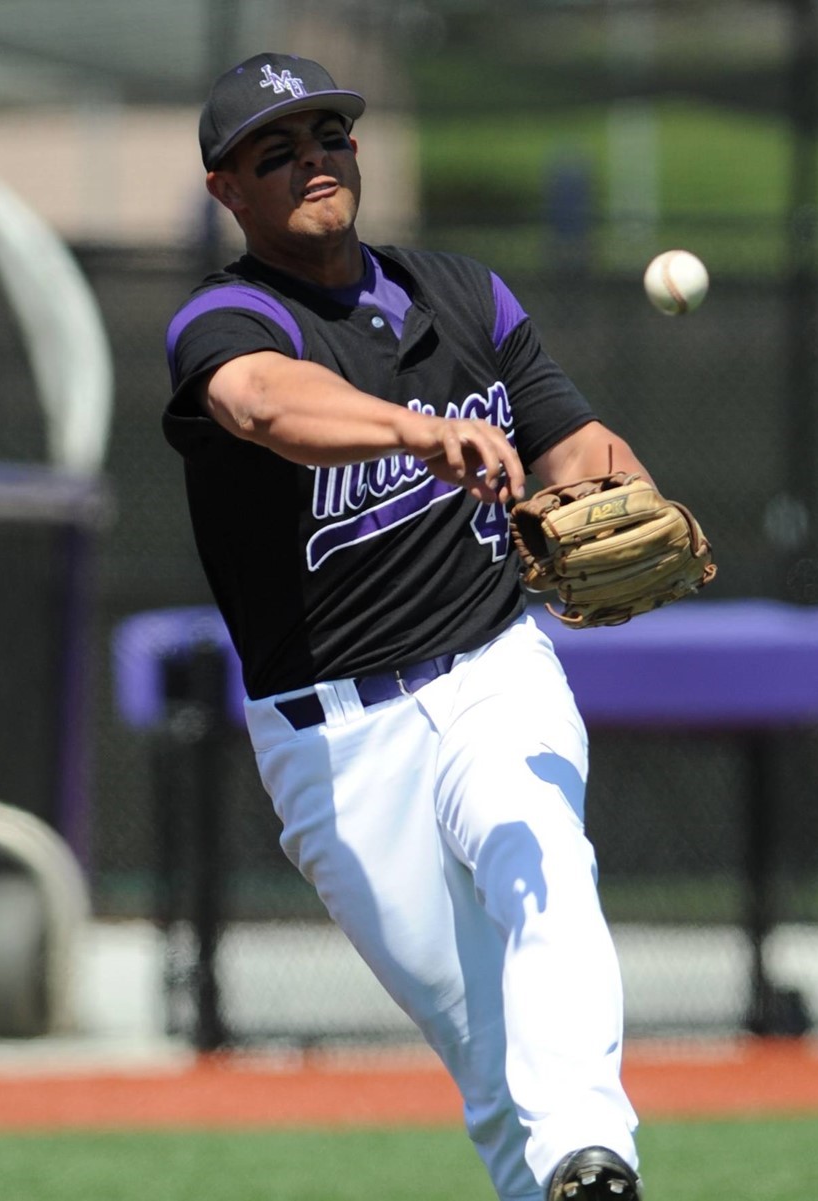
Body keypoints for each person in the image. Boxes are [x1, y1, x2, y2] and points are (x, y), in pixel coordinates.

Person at [163, 52, 655, 1201]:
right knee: (494, 1076)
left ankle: (600, 1152)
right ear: (224, 189)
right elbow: (265, 404)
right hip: (337, 744)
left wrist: (608, 478)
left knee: (537, 849)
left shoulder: (462, 294)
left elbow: (569, 441)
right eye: (274, 151)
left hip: (492, 666)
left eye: (329, 134)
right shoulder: (226, 318)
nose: (313, 160)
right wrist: (414, 430)